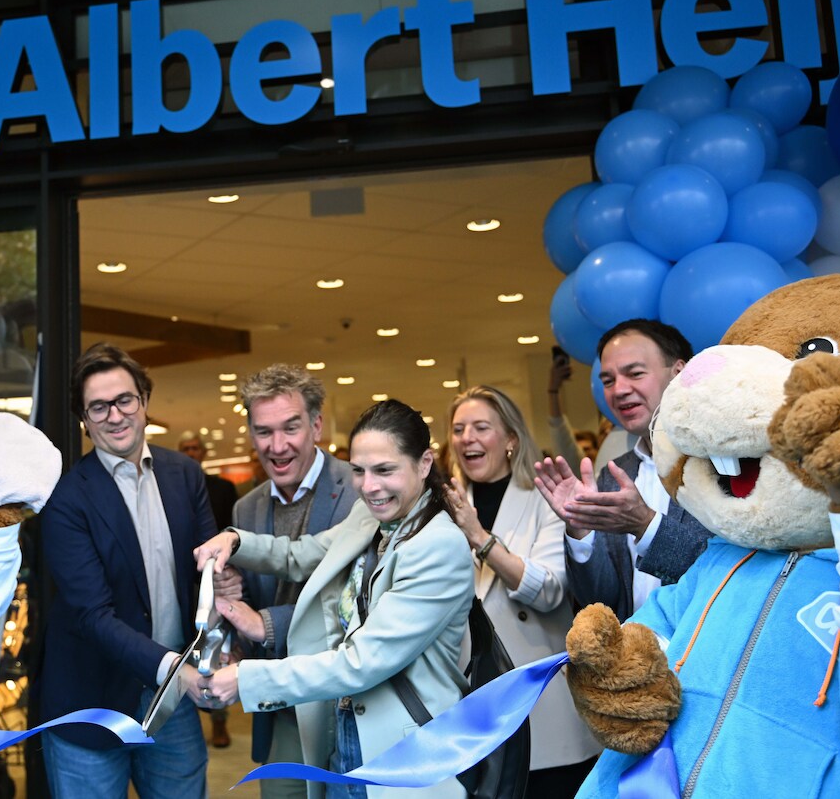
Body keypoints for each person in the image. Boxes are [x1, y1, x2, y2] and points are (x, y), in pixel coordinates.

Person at [197, 399, 474, 799]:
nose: (369, 486)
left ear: (425, 463)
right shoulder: (372, 517)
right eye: (359, 471)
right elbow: (300, 555)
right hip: (346, 737)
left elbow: (360, 662)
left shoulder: (438, 546)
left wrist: (246, 679)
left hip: (403, 756)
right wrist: (236, 541)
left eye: (385, 470)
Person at [38, 343, 217, 799]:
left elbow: (205, 578)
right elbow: (94, 616)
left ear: (144, 403)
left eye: (124, 400)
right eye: (98, 407)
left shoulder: (186, 475)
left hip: (172, 705)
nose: (114, 416)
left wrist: (222, 629)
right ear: (84, 419)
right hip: (90, 705)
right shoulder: (65, 500)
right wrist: (178, 671)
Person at [447, 385, 599, 797]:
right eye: (458, 429)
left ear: (511, 439)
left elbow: (548, 590)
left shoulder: (542, 499)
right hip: (474, 704)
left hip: (541, 701)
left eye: (481, 427)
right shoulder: (446, 506)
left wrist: (479, 537)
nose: (467, 438)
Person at [229, 364, 358, 795]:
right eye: (263, 431)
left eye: (291, 428)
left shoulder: (358, 490)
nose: (277, 446)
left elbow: (350, 603)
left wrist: (263, 622)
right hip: (281, 707)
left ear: (316, 425)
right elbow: (246, 603)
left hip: (348, 702)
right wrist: (231, 617)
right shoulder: (245, 510)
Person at [535, 319, 711, 621]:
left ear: (679, 373)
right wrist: (581, 529)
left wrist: (645, 525)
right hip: (635, 661)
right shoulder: (616, 474)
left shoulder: (721, 464)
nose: (619, 390)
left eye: (635, 373)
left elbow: (727, 573)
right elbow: (601, 599)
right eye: (607, 380)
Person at [176, 428, 240, 748]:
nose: (190, 452)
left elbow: (233, 532)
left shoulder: (223, 488)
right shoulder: (171, 489)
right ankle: (187, 716)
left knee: (215, 648)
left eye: (194, 448)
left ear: (203, 453)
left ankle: (218, 719)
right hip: (182, 580)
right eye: (184, 447)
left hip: (216, 578)